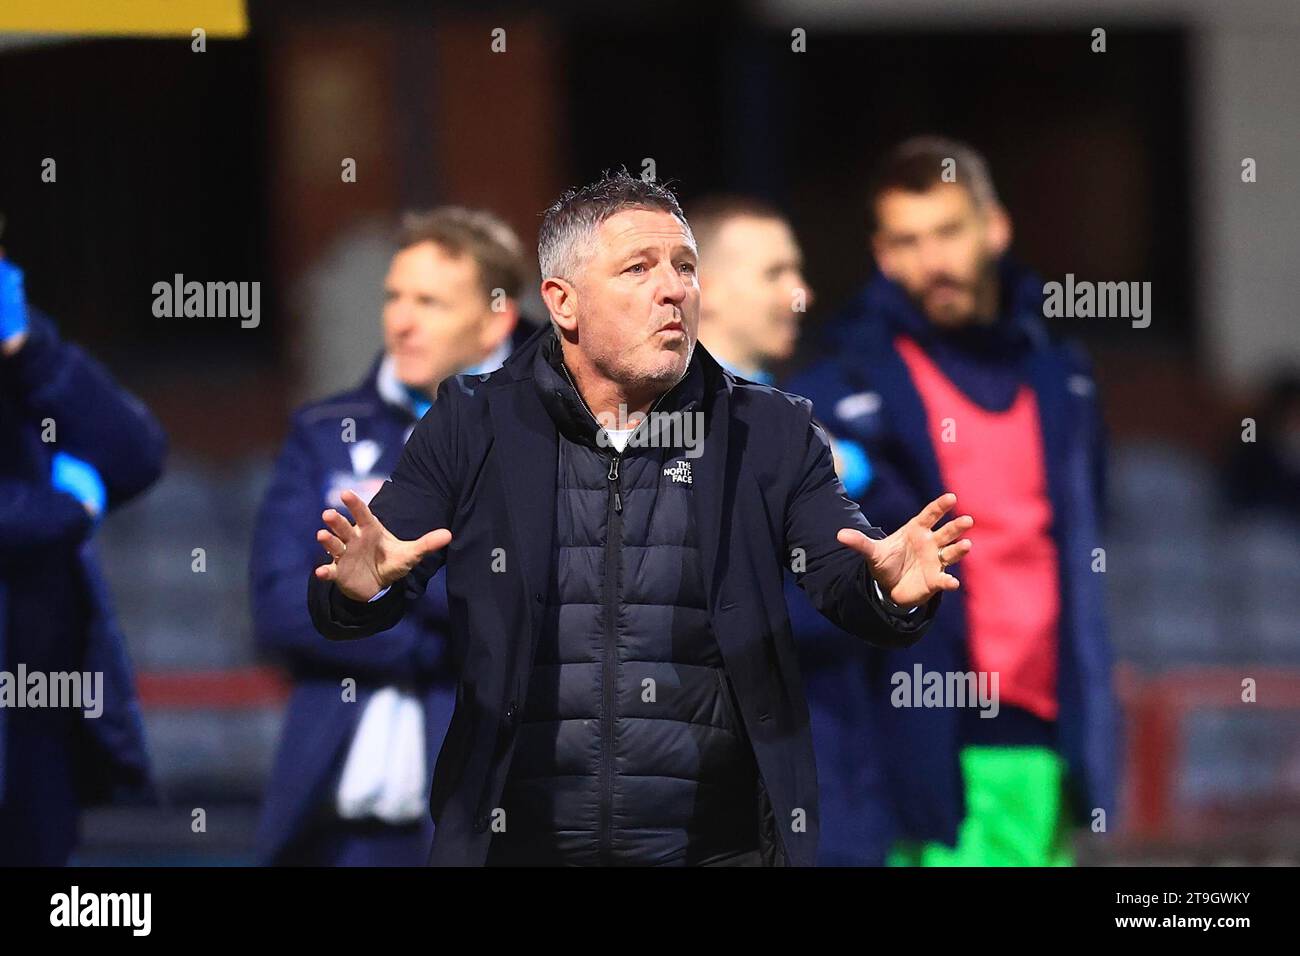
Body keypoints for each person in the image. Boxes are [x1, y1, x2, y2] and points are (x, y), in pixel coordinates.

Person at [299, 169, 973, 867]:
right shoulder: (474, 422)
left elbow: (840, 575)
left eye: (685, 267)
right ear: (563, 303)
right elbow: (365, 584)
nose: (674, 288)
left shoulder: (767, 429)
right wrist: (358, 587)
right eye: (639, 268)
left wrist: (886, 590)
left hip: (716, 848)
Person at [787, 136, 1118, 866]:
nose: (932, 260)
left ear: (993, 228)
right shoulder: (839, 392)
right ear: (882, 254)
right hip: (920, 734)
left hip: (1043, 734)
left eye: (948, 231)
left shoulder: (1063, 376)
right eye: (908, 240)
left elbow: (1086, 536)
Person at [250, 207, 530, 865]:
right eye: (395, 297)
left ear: (496, 319)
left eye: (429, 302)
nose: (401, 320)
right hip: (333, 820)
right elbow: (280, 611)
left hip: (489, 806)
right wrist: (432, 635)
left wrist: (372, 601)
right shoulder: (324, 430)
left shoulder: (544, 437)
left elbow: (525, 613)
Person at [0, 257, 165, 865]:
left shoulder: (19, 347)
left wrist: (28, 347)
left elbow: (137, 453)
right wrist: (69, 508)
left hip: (34, 732)